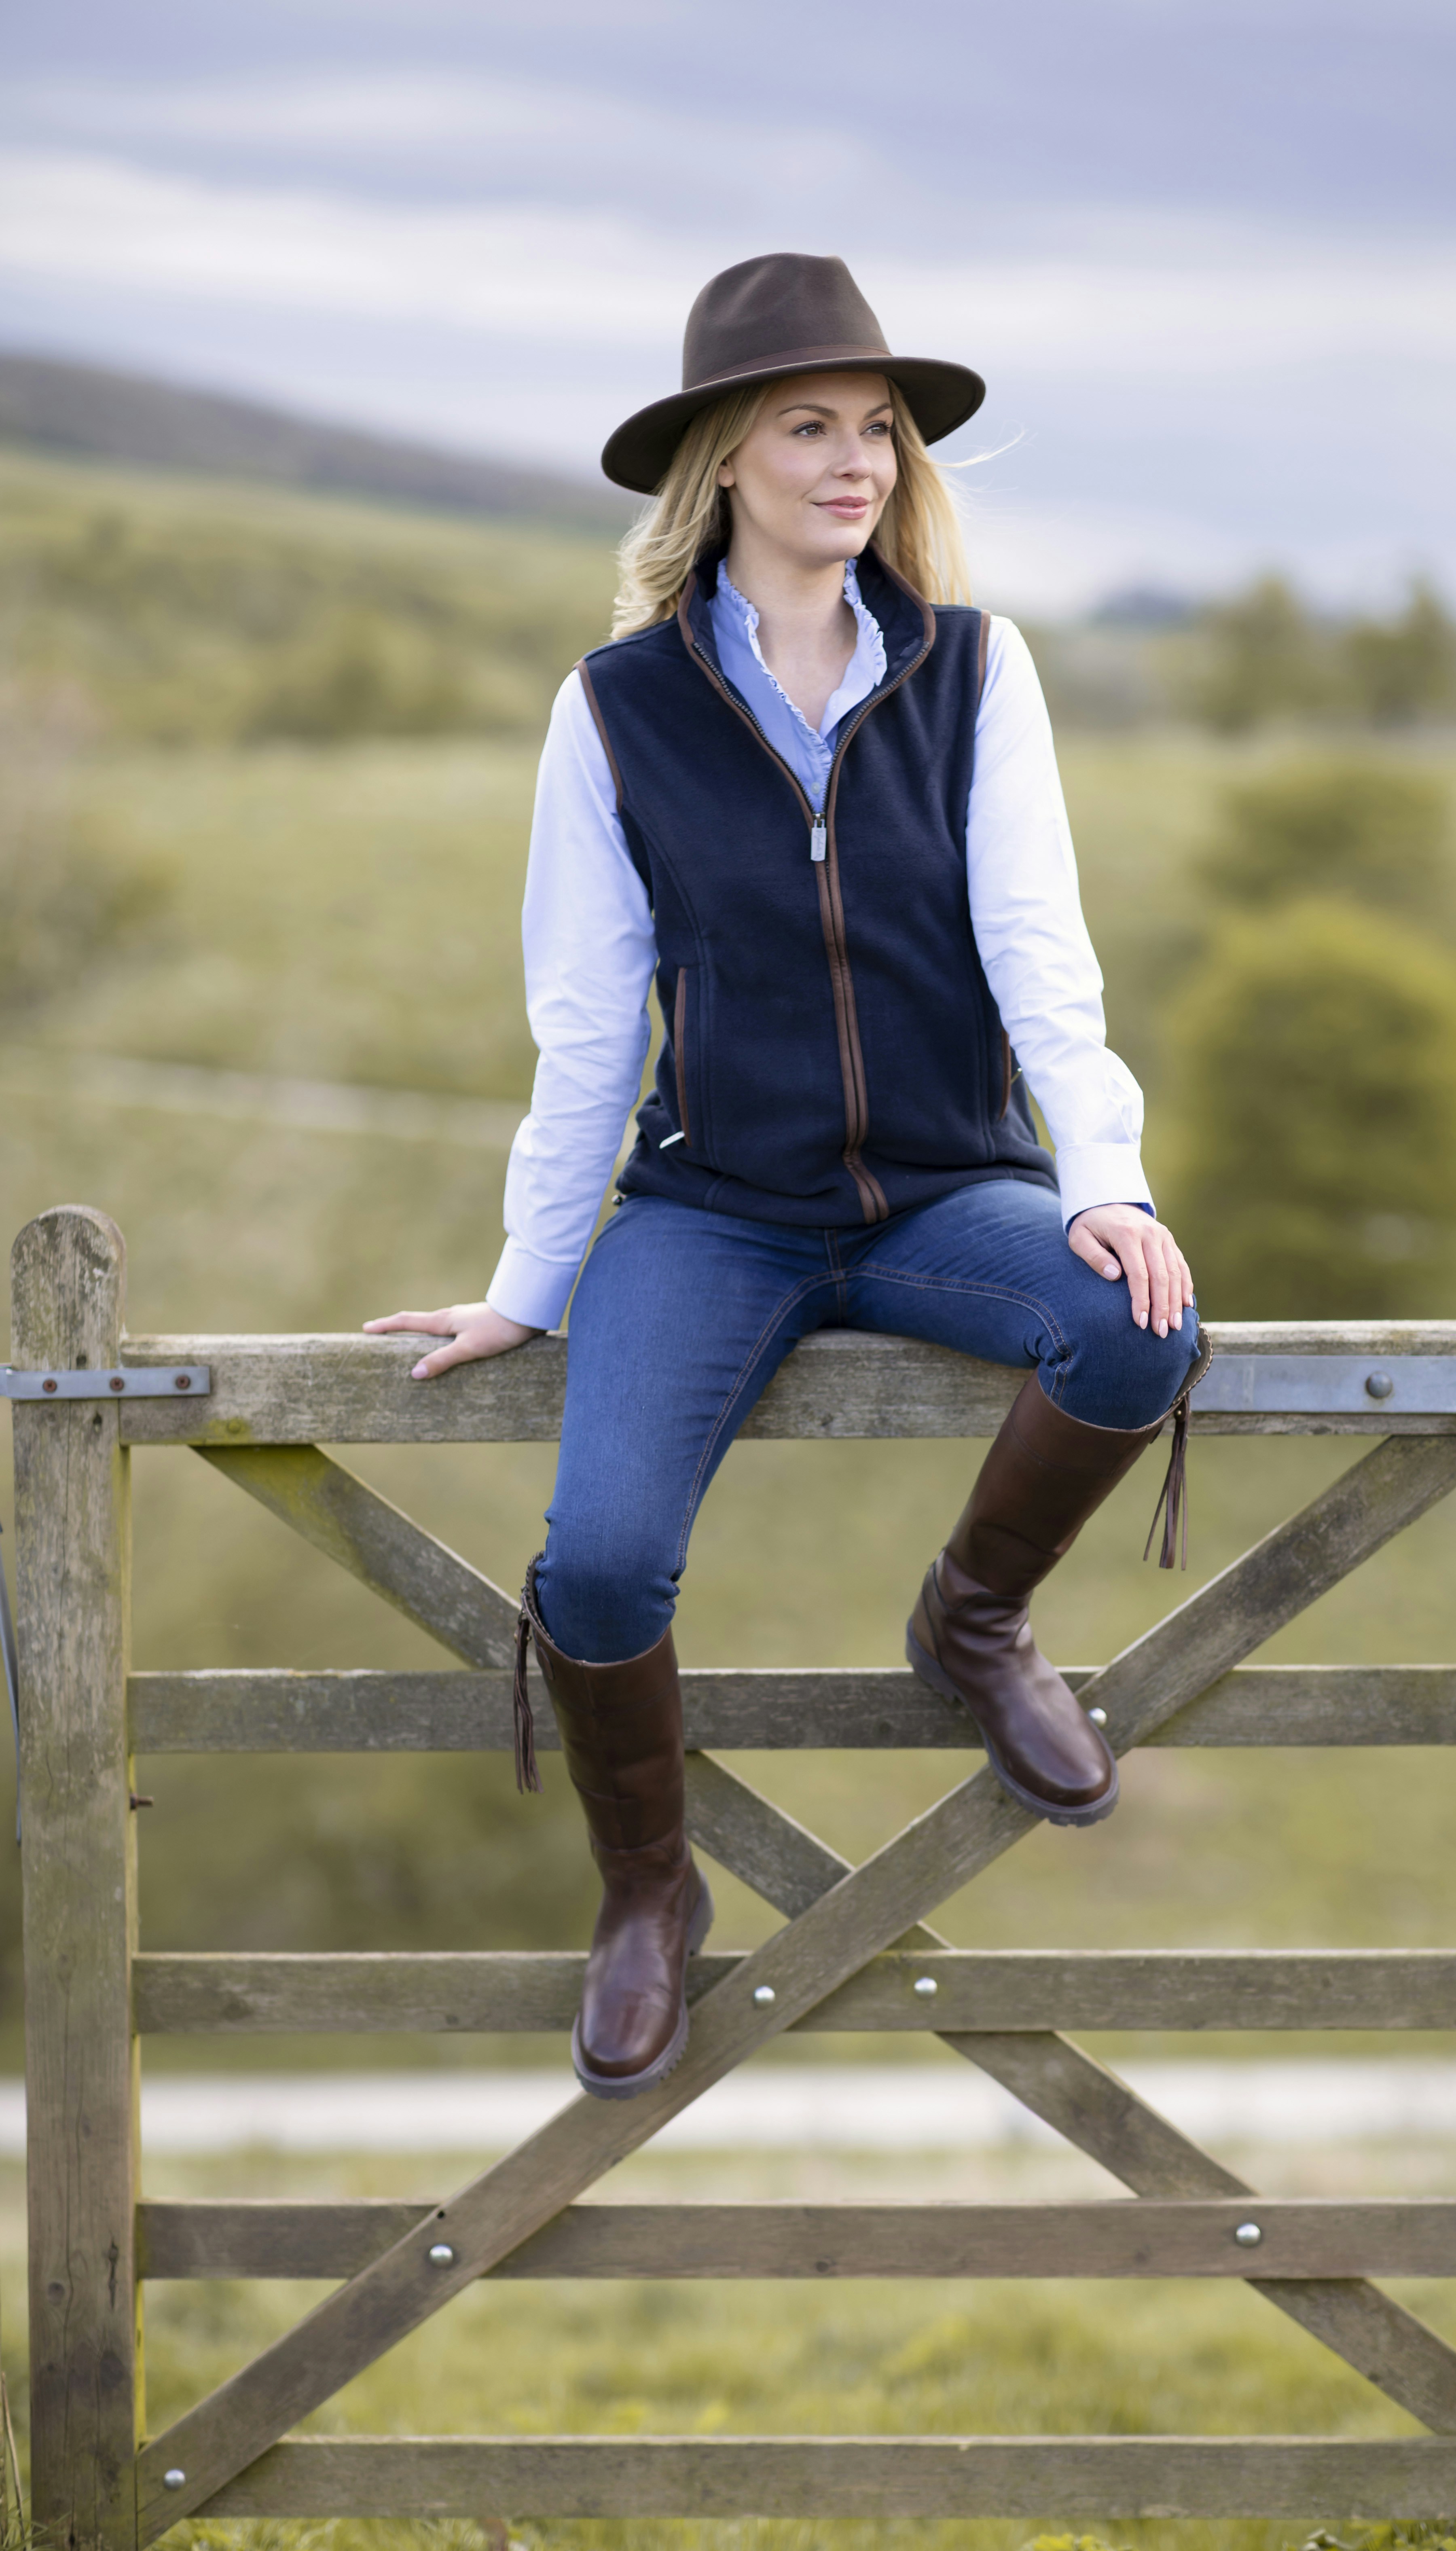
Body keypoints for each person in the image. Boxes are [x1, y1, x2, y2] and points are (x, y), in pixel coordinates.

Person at [368, 253, 1208, 2104]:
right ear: (721, 463)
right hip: (713, 1209)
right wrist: (532, 1275)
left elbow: (1037, 948)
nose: (855, 461)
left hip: (942, 1194)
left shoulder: (975, 671)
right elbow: (586, 1019)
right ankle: (649, 1887)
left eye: (878, 431)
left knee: (1138, 1326)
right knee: (593, 1558)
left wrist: (1109, 1179)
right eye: (809, 427)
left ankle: (969, 1617)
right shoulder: (615, 709)